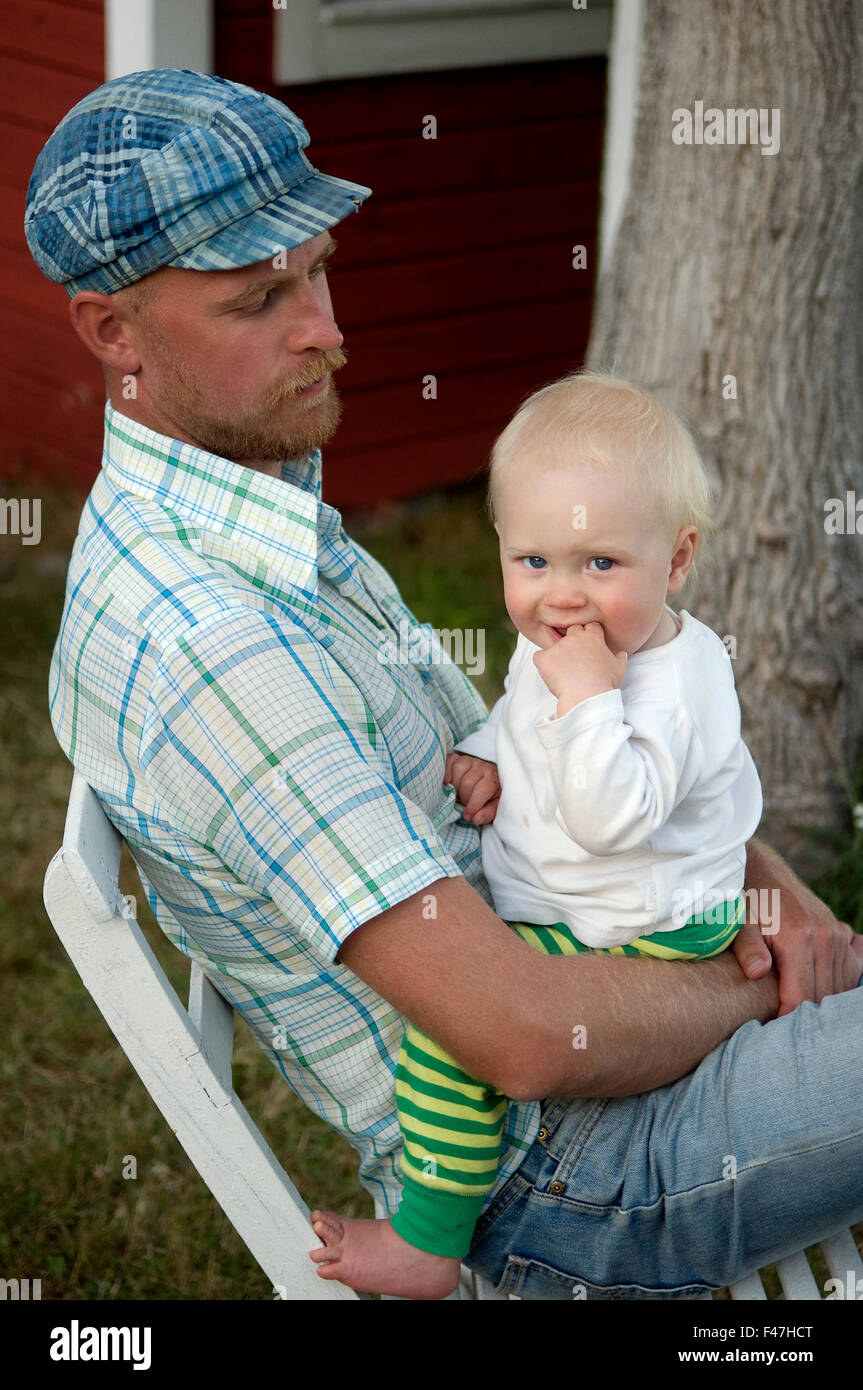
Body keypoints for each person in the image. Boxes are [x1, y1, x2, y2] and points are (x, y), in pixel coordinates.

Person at [26, 69, 863, 1302]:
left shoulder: (261, 510)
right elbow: (522, 1038)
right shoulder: (212, 642)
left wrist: (761, 887)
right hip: (574, 1184)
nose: (325, 327)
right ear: (113, 334)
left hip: (604, 985)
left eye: (317, 267)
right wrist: (746, 967)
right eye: (260, 297)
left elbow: (539, 730)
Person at [310, 370, 765, 1297]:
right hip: (609, 896)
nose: (563, 596)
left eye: (600, 563)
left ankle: (428, 1244)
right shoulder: (569, 648)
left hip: (642, 921)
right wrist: (489, 753)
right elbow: (526, 716)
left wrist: (589, 697)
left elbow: (606, 821)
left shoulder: (672, 685)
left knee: (451, 1035)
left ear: (675, 562)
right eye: (533, 562)